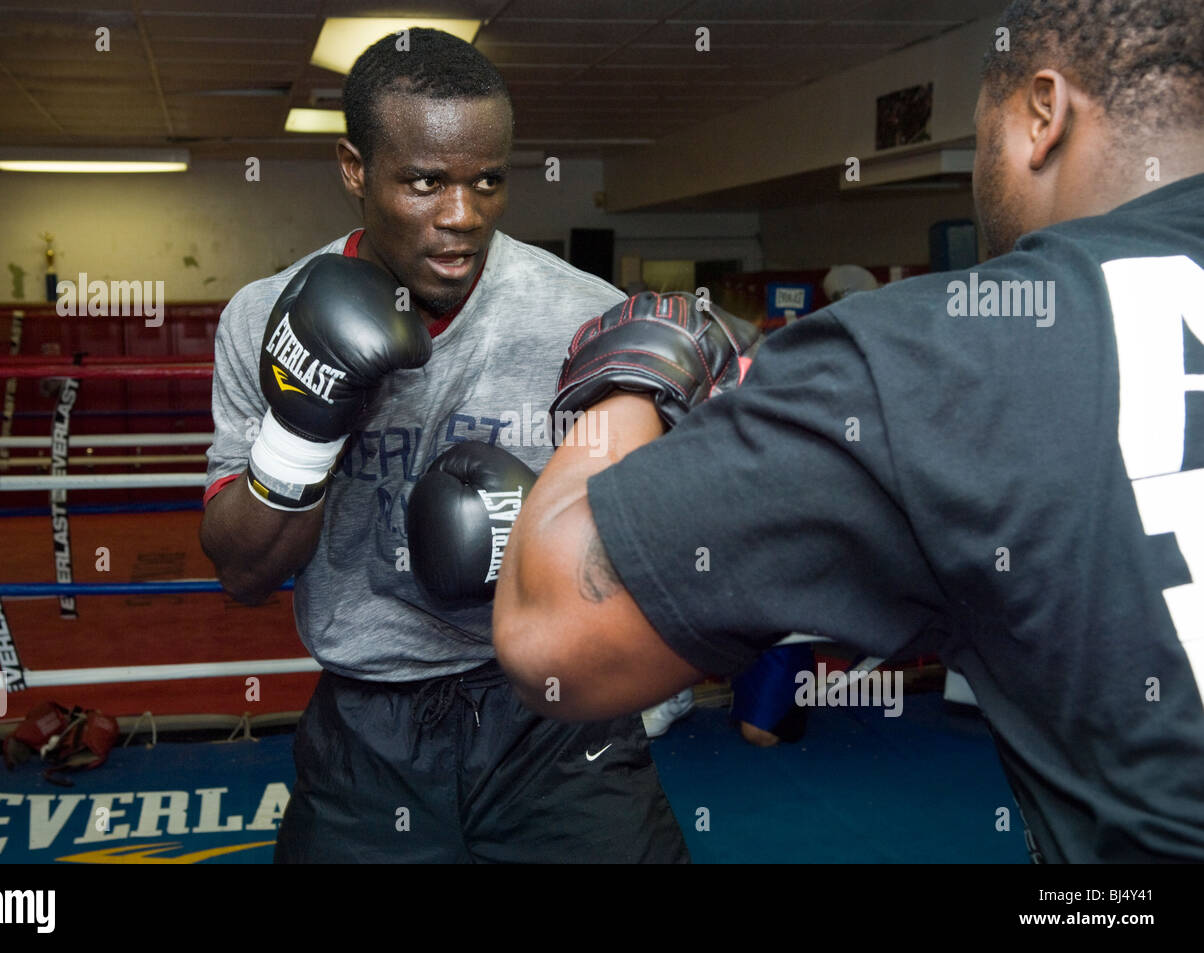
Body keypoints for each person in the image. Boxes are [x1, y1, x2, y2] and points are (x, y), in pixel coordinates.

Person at [492, 0, 1204, 862]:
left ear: (1041, 114)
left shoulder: (943, 356)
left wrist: (632, 371)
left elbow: (550, 627)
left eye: (981, 136)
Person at [199, 28, 688, 863]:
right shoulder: (263, 318)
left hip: (551, 715)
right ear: (356, 169)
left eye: (488, 181)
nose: (462, 218)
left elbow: (664, 547)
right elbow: (242, 572)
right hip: (368, 730)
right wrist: (302, 430)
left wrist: (541, 542)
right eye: (425, 182)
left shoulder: (584, 317)